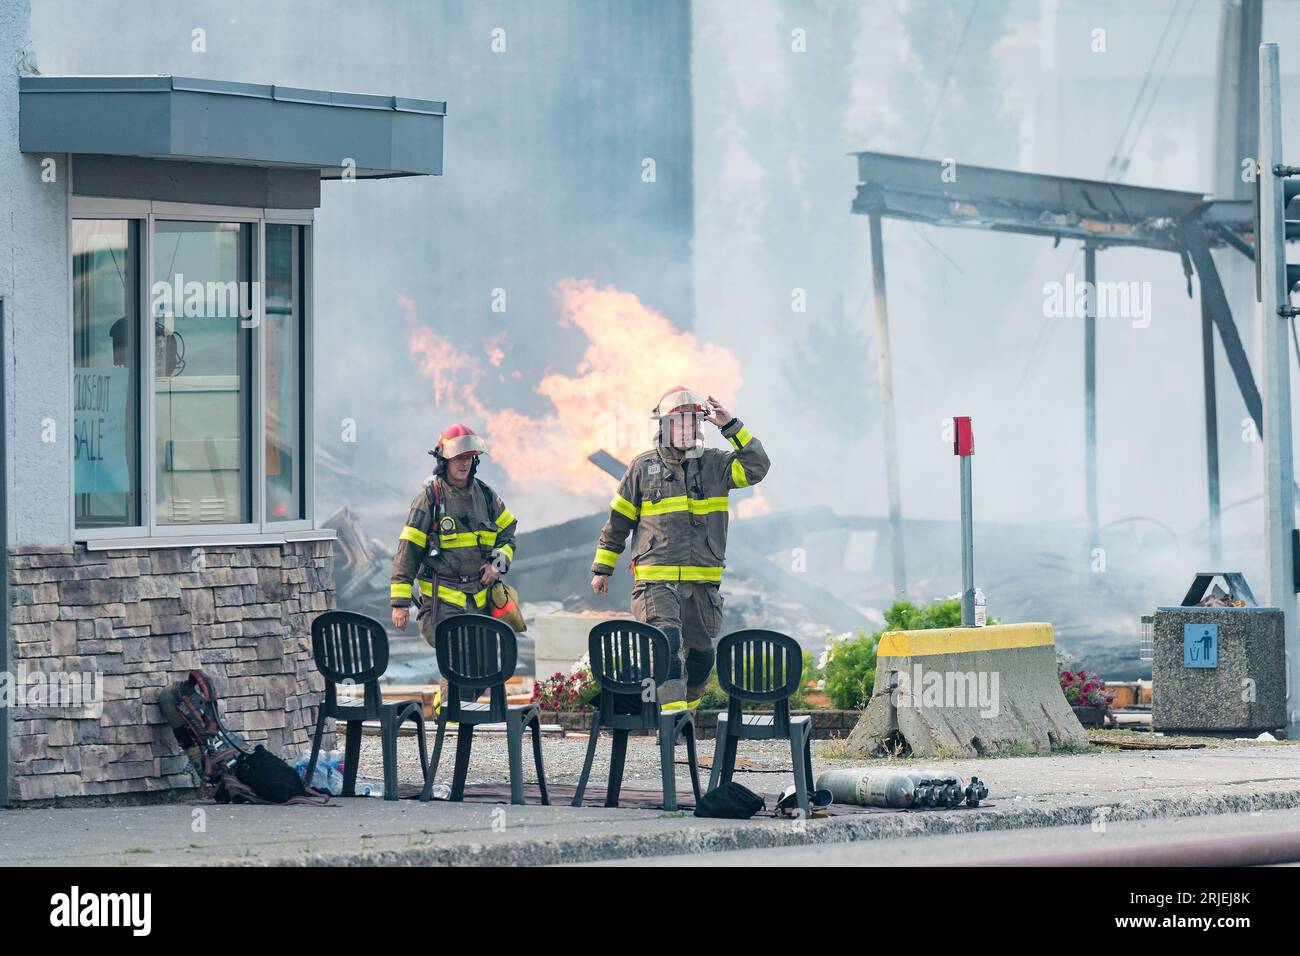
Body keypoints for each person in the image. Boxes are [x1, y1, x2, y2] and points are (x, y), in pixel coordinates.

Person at [590, 386, 770, 708]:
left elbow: (757, 467)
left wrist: (731, 426)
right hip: (655, 581)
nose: (687, 428)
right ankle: (671, 723)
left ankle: (685, 711)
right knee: (667, 645)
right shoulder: (643, 468)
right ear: (664, 426)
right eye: (679, 422)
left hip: (702, 582)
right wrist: (603, 569)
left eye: (692, 422)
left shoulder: (717, 466)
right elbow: (618, 523)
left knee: (701, 656)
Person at [390, 424, 517, 701]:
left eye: (469, 458)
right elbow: (407, 549)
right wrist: (399, 603)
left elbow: (508, 535)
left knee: (482, 669)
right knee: (456, 661)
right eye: (459, 458)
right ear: (444, 460)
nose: (464, 464)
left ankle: (456, 714)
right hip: (442, 602)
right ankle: (449, 719)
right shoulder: (429, 499)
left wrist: (497, 565)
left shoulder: (486, 496)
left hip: (479, 600)